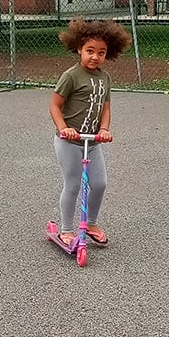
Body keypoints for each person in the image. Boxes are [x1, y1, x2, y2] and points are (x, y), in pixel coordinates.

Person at [49, 17, 132, 247]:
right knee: (74, 184)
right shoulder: (71, 76)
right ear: (79, 49)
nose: (95, 56)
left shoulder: (105, 78)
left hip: (92, 142)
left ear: (108, 54)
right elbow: (55, 105)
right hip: (69, 142)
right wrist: (63, 128)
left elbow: (106, 108)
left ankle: (91, 223)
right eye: (90, 51)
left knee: (100, 183)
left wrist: (104, 129)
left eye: (102, 53)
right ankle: (66, 229)